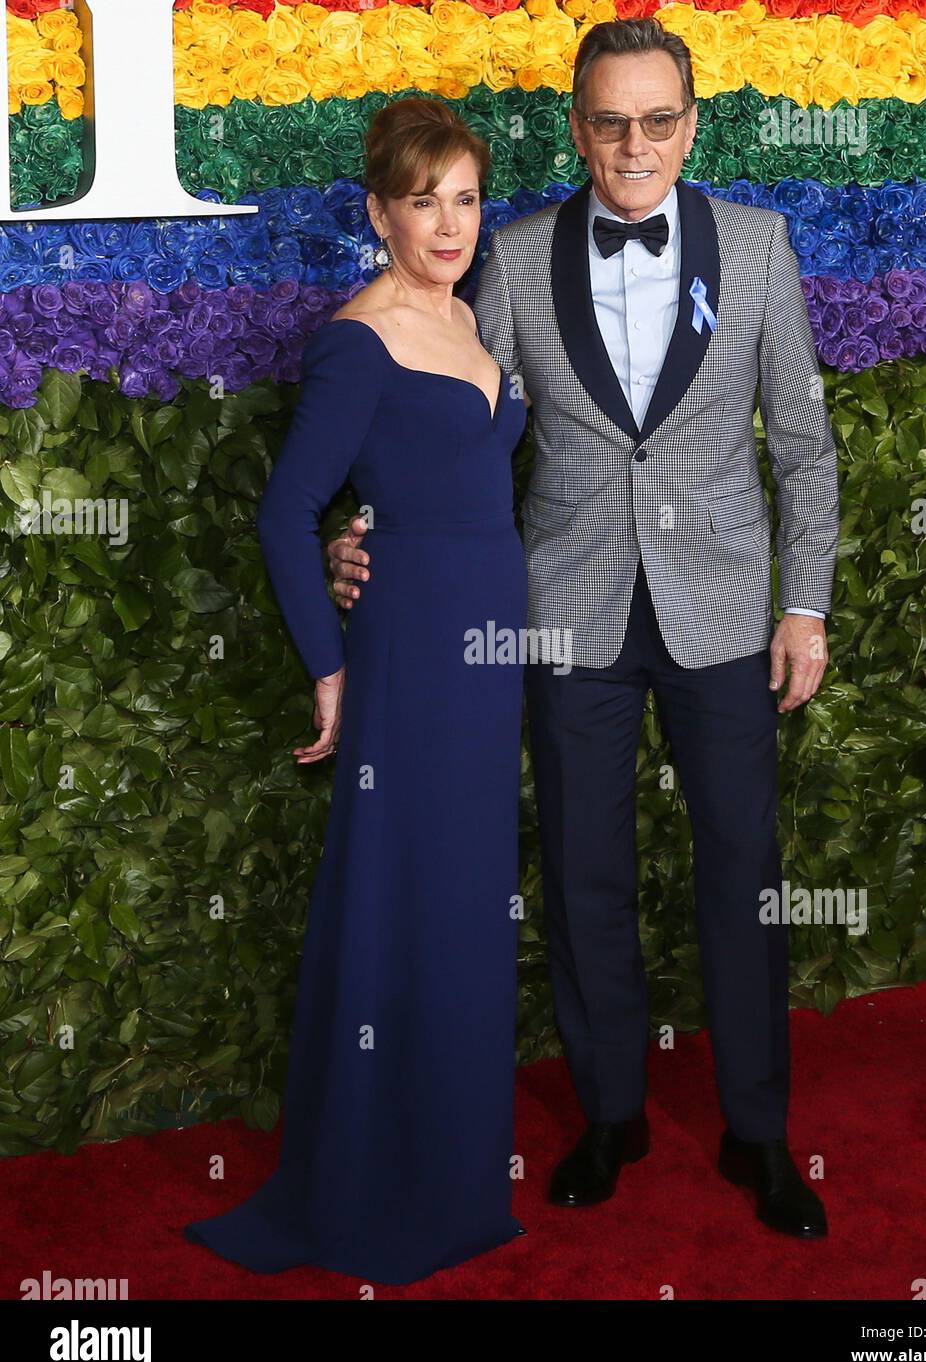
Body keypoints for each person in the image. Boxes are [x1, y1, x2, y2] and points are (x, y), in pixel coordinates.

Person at [330, 19, 839, 1238]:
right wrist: (365, 532)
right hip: (568, 612)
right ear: (575, 127)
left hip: (721, 609)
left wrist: (804, 603)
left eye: (657, 120)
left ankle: (758, 1130)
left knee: (743, 876)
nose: (633, 145)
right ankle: (610, 1111)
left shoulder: (761, 250)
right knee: (584, 873)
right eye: (609, 121)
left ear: (691, 125)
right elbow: (461, 432)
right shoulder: (509, 257)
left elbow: (805, 444)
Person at [184, 97, 530, 1284]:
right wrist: (329, 670)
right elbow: (289, 509)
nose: (447, 222)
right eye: (422, 199)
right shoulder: (358, 335)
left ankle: (455, 1170)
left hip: (490, 659)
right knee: (408, 896)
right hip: (417, 658)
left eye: (465, 197)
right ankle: (380, 1182)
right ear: (378, 210)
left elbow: (447, 483)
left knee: (469, 898)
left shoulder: (470, 318)